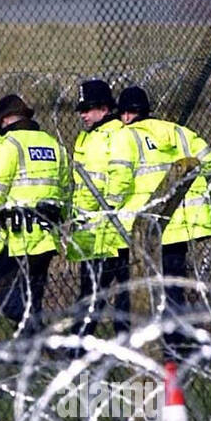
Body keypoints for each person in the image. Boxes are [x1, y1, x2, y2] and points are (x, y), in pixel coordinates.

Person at [107, 85, 211, 358]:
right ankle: (178, 343)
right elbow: (209, 161)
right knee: (174, 288)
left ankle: (153, 346)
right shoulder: (177, 131)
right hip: (183, 223)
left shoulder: (127, 137)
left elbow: (121, 180)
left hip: (149, 228)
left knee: (144, 290)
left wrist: (109, 205)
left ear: (124, 114)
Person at [0, 94, 69, 337]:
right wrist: (61, 217)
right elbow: (66, 189)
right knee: (32, 298)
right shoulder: (53, 144)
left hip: (18, 239)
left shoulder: (9, 145)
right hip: (46, 237)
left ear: (3, 120)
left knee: (5, 295)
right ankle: (32, 356)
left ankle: (39, 337)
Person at [67, 78, 130, 341]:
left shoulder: (118, 134)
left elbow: (120, 176)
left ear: (104, 108)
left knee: (119, 292)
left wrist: (110, 210)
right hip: (88, 230)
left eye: (87, 108)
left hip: (112, 228)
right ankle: (81, 344)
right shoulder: (86, 138)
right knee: (91, 291)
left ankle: (85, 344)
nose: (82, 114)